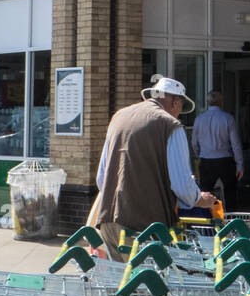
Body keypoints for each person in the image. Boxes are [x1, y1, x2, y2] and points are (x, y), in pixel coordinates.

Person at [87, 77, 216, 261]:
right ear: (175, 102)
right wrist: (199, 199)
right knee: (149, 286)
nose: (179, 114)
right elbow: (181, 184)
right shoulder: (170, 125)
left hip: (108, 221)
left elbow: (102, 178)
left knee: (121, 285)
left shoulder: (119, 118)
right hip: (145, 227)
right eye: (180, 109)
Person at [191, 90, 244, 204]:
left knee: (205, 193)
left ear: (207, 102)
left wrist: (200, 154)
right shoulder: (228, 118)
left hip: (206, 160)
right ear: (221, 102)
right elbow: (235, 144)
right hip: (225, 160)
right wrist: (239, 164)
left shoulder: (199, 119)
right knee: (230, 193)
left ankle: (206, 219)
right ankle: (232, 219)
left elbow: (194, 143)